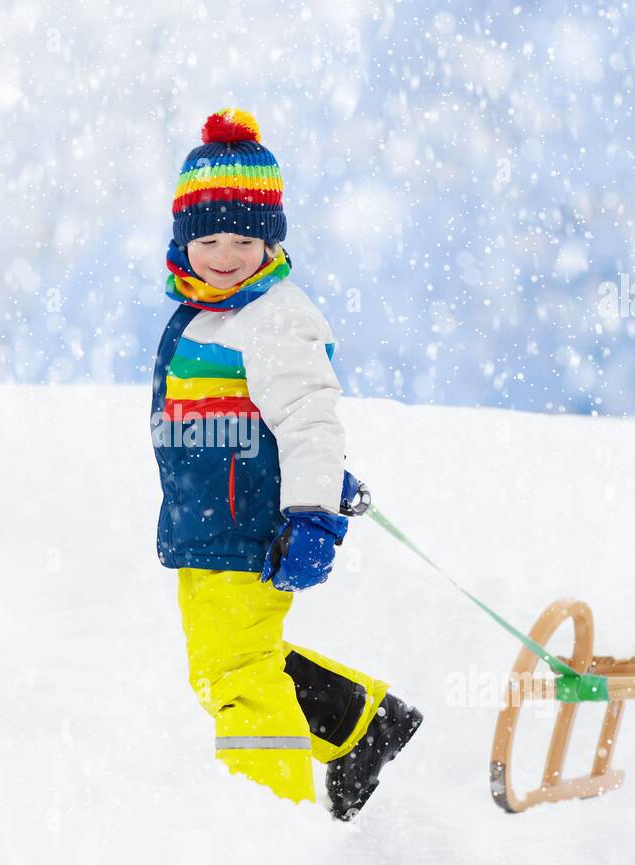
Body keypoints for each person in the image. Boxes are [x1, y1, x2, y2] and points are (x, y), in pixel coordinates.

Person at [149, 108, 423, 821]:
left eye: (245, 237)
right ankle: (362, 725)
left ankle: (269, 823)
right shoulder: (206, 315)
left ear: (272, 239)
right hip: (208, 528)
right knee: (224, 669)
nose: (225, 252)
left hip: (249, 530)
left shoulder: (273, 316)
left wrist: (312, 513)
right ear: (184, 239)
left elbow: (308, 421)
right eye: (208, 236)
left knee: (238, 675)